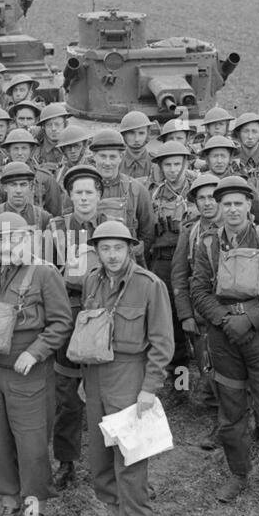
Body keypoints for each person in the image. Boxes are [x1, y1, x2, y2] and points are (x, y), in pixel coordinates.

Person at [73, 221, 175, 516]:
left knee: (130, 456)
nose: (112, 255)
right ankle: (114, 512)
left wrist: (149, 388)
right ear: (97, 251)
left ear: (130, 249)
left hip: (130, 375)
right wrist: (86, 379)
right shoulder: (92, 280)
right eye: (105, 248)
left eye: (118, 248)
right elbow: (89, 329)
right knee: (100, 455)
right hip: (97, 374)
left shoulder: (150, 285)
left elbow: (162, 342)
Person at [0, 212, 72, 516]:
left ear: (27, 239)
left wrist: (35, 352)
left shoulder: (44, 272)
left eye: (14, 238)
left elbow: (60, 323)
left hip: (29, 371)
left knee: (31, 444)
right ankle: (9, 503)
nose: (7, 244)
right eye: (0, 238)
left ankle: (33, 510)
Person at [190, 176, 259, 504]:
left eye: (239, 203)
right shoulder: (207, 244)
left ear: (250, 206)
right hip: (224, 338)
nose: (232, 209)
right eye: (226, 204)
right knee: (231, 415)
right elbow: (198, 290)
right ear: (218, 208)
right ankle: (238, 474)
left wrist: (249, 319)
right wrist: (223, 320)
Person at [45, 164, 106, 489]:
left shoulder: (112, 228)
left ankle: (112, 463)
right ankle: (66, 462)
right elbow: (42, 275)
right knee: (67, 396)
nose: (84, 198)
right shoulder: (54, 228)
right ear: (69, 196)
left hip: (104, 317)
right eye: (78, 192)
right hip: (67, 316)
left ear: (99, 195)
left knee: (108, 393)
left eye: (90, 192)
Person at [170, 171, 222, 424]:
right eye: (201, 198)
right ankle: (216, 417)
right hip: (201, 312)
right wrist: (185, 315)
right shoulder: (190, 231)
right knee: (206, 364)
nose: (207, 202)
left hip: (231, 309)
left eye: (212, 196)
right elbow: (179, 275)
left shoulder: (236, 225)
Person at [149, 140, 197, 377]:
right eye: (167, 164)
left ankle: (209, 378)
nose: (172, 169)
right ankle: (181, 380)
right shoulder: (153, 194)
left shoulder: (200, 190)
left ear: (186, 163)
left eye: (177, 163)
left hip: (195, 262)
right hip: (164, 262)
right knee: (172, 321)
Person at [88, 129, 155, 258]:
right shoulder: (82, 189)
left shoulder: (137, 190)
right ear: (94, 156)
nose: (107, 163)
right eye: (103, 156)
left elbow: (147, 234)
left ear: (121, 157)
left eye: (112, 157)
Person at [119, 110, 156, 182]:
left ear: (148, 134)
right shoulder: (116, 161)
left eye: (141, 133)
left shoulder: (156, 163)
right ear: (124, 135)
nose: (136, 139)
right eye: (131, 133)